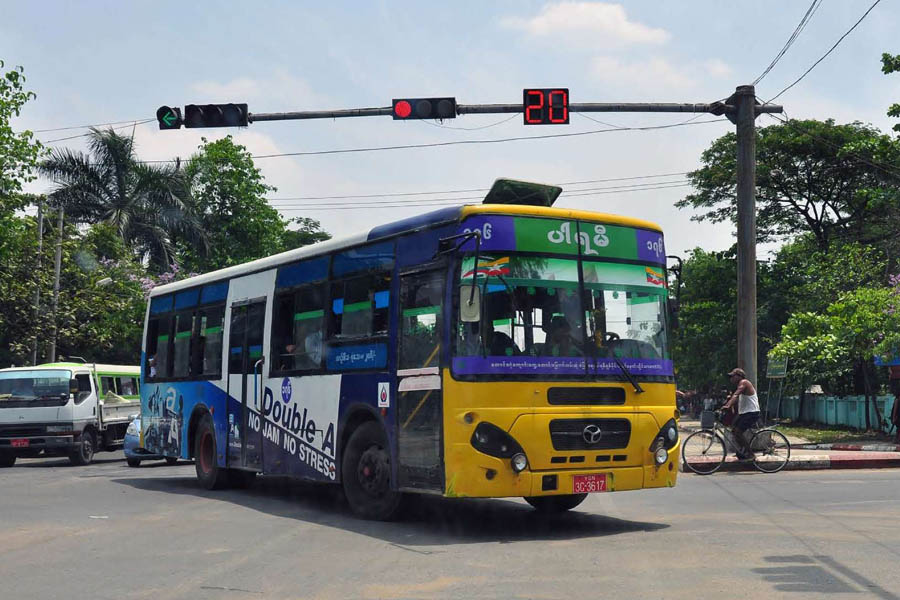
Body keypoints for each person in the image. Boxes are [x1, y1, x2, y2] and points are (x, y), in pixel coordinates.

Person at [722, 367, 760, 460]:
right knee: (734, 431)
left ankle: (751, 454)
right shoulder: (739, 385)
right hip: (744, 413)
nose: (731, 378)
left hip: (752, 412)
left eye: (733, 376)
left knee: (738, 432)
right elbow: (734, 399)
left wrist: (728, 406)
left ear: (739, 376)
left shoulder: (744, 382)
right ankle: (743, 451)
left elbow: (736, 395)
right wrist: (726, 406)